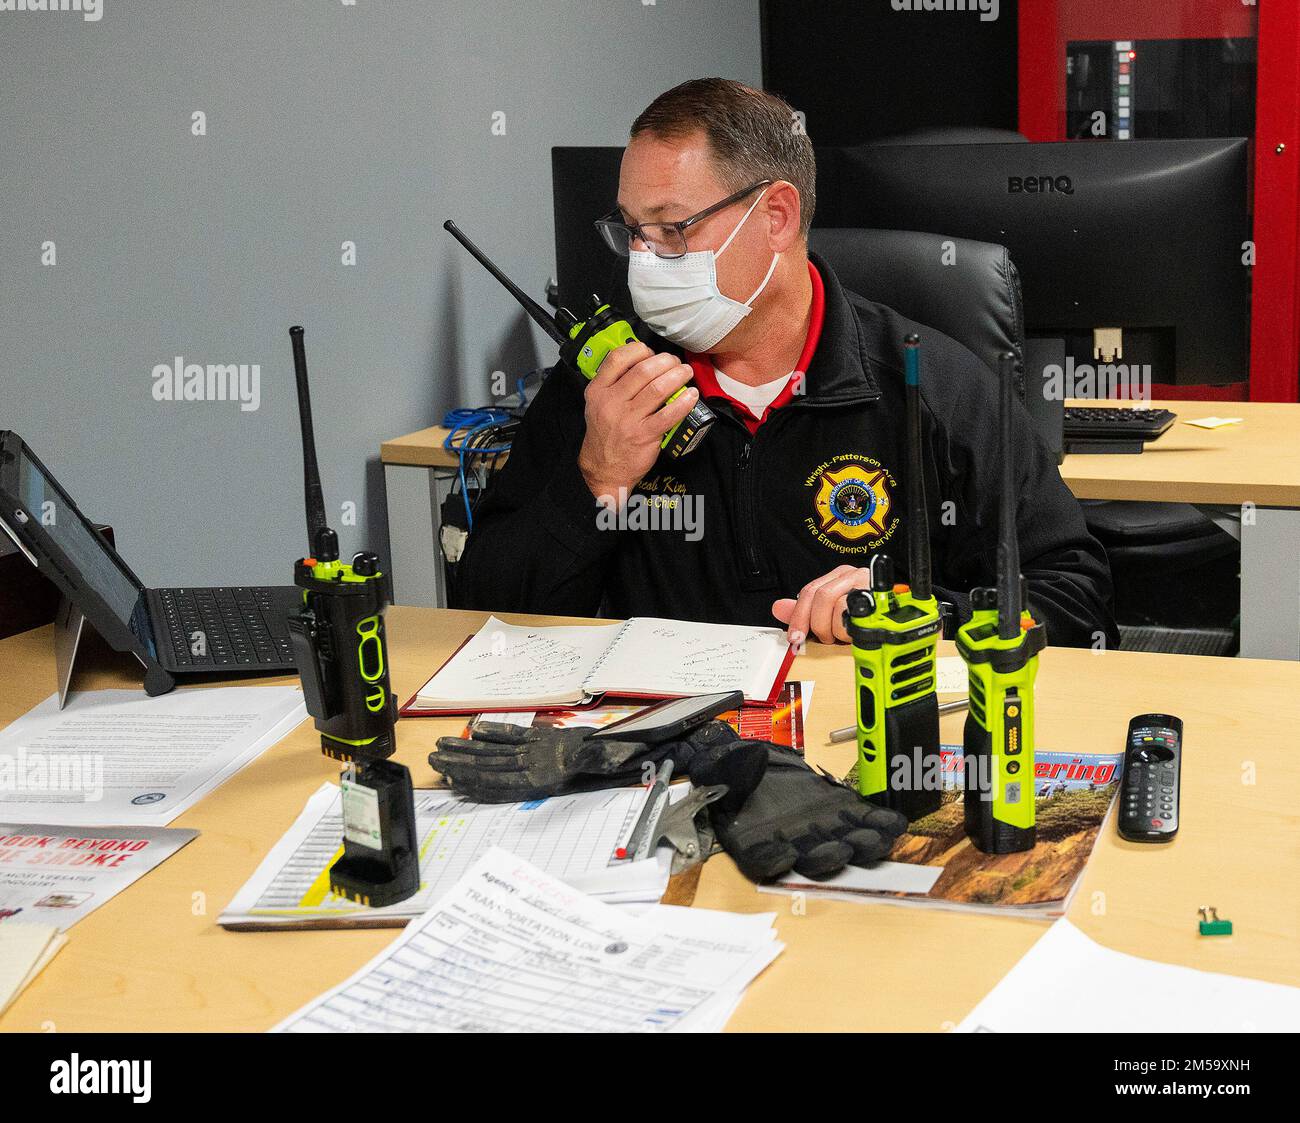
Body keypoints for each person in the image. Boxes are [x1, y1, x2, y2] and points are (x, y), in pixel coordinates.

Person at [457, 77, 1118, 649]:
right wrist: (594, 481)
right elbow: (487, 615)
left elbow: (1076, 597)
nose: (641, 259)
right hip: (666, 739)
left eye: (672, 229)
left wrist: (921, 615)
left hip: (865, 732)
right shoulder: (608, 386)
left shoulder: (936, 386)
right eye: (631, 230)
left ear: (776, 216)